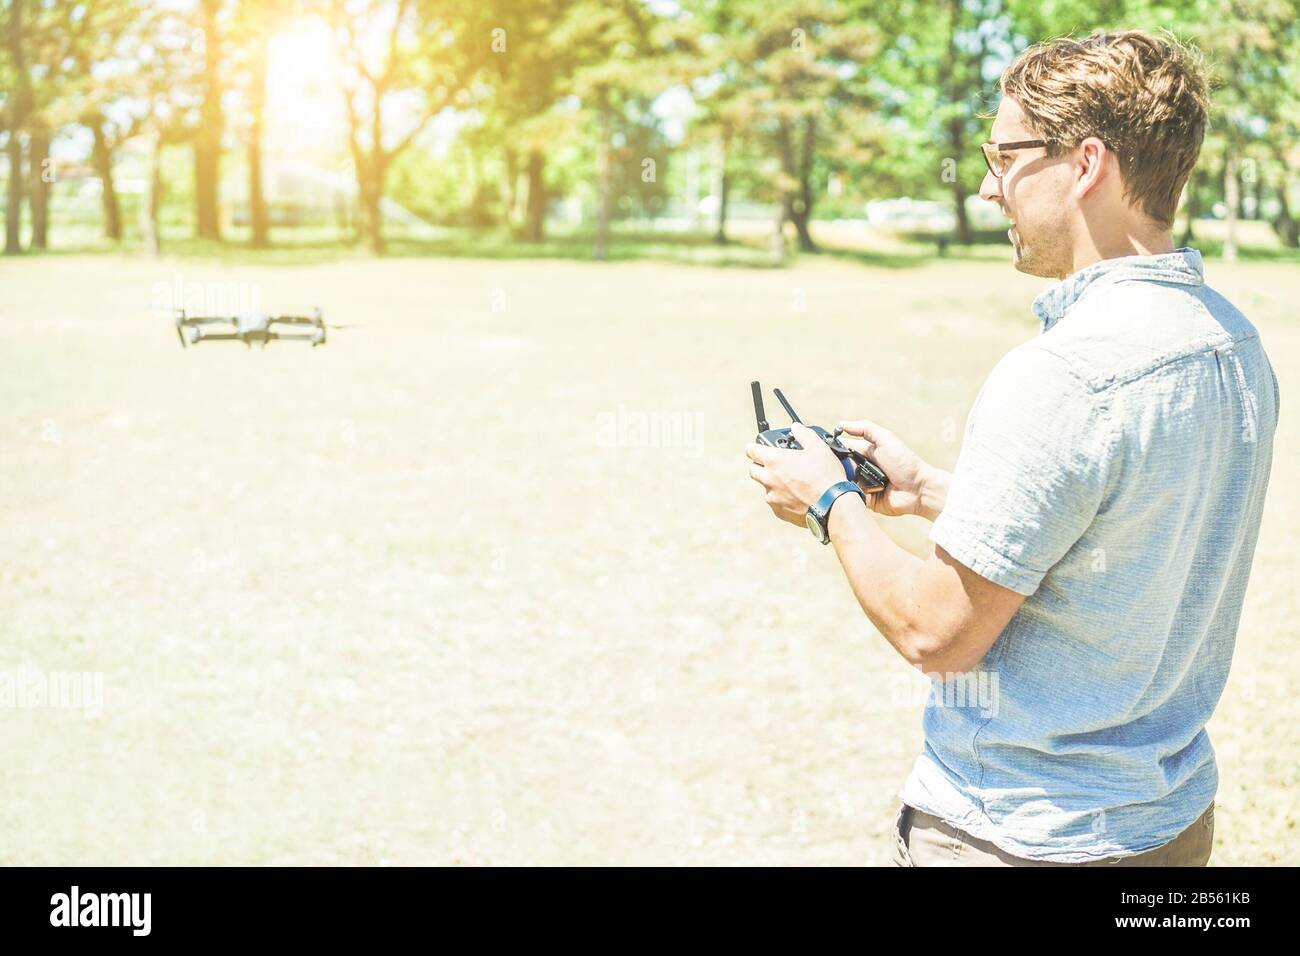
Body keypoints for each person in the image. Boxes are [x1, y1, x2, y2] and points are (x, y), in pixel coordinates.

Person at [745, 29, 1279, 866]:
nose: (991, 189)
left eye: (1003, 156)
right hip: (1172, 828)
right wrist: (924, 490)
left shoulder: (1063, 375)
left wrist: (829, 502)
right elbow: (1117, 538)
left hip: (1023, 835)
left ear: (1086, 164)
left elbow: (936, 634)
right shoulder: (1235, 345)